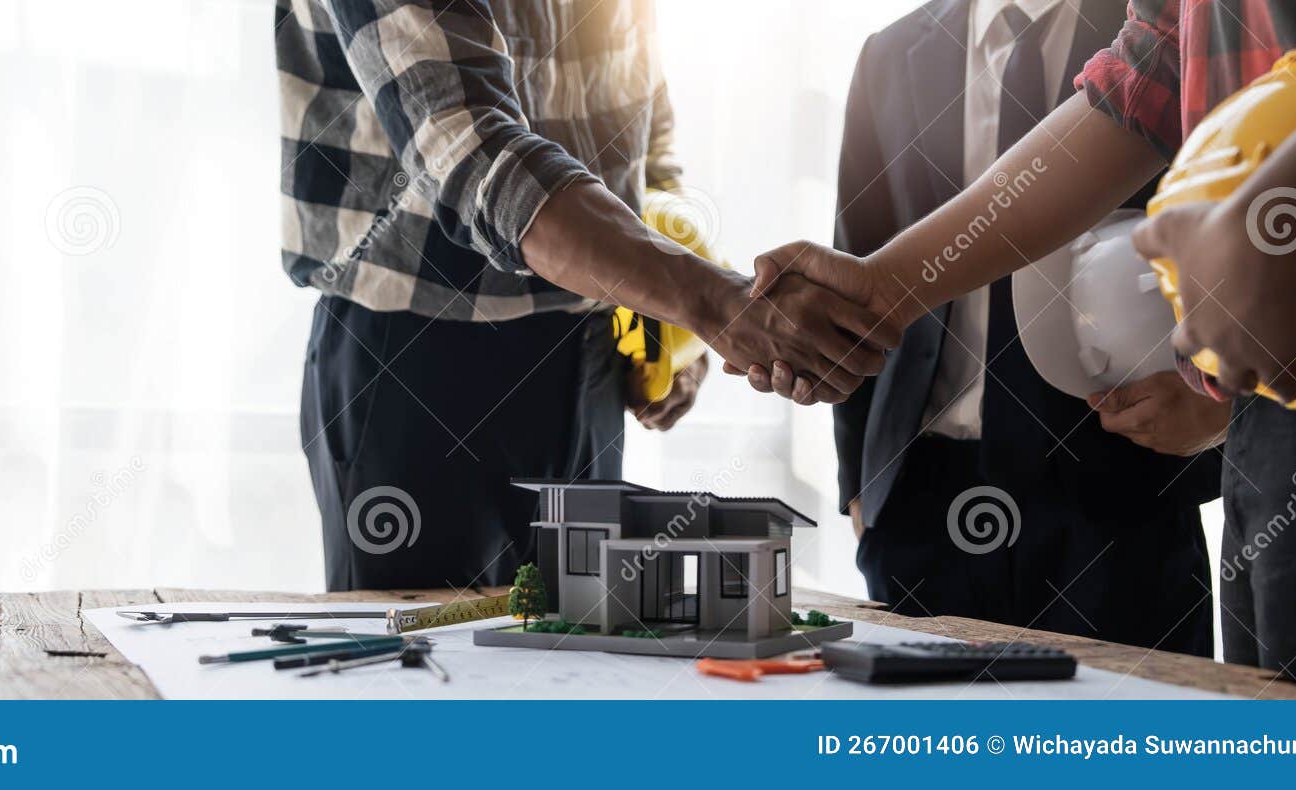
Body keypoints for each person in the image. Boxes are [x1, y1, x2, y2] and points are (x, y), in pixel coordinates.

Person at [748, 1, 1296, 684]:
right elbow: (1147, 83)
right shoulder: (893, 52)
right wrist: (883, 290)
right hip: (1274, 405)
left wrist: (1285, 196)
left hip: (1125, 488)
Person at [279, 0, 892, 590]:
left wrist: (672, 326)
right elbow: (478, 157)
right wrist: (713, 304)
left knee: (579, 645)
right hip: (410, 356)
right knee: (413, 652)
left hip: (586, 353)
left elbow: (646, 136)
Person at [826, 0, 1227, 655]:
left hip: (1121, 490)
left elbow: (1245, 236)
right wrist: (859, 490)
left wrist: (1223, 420)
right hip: (920, 498)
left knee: (1134, 721)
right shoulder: (888, 54)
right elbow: (857, 266)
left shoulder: (1172, 32)